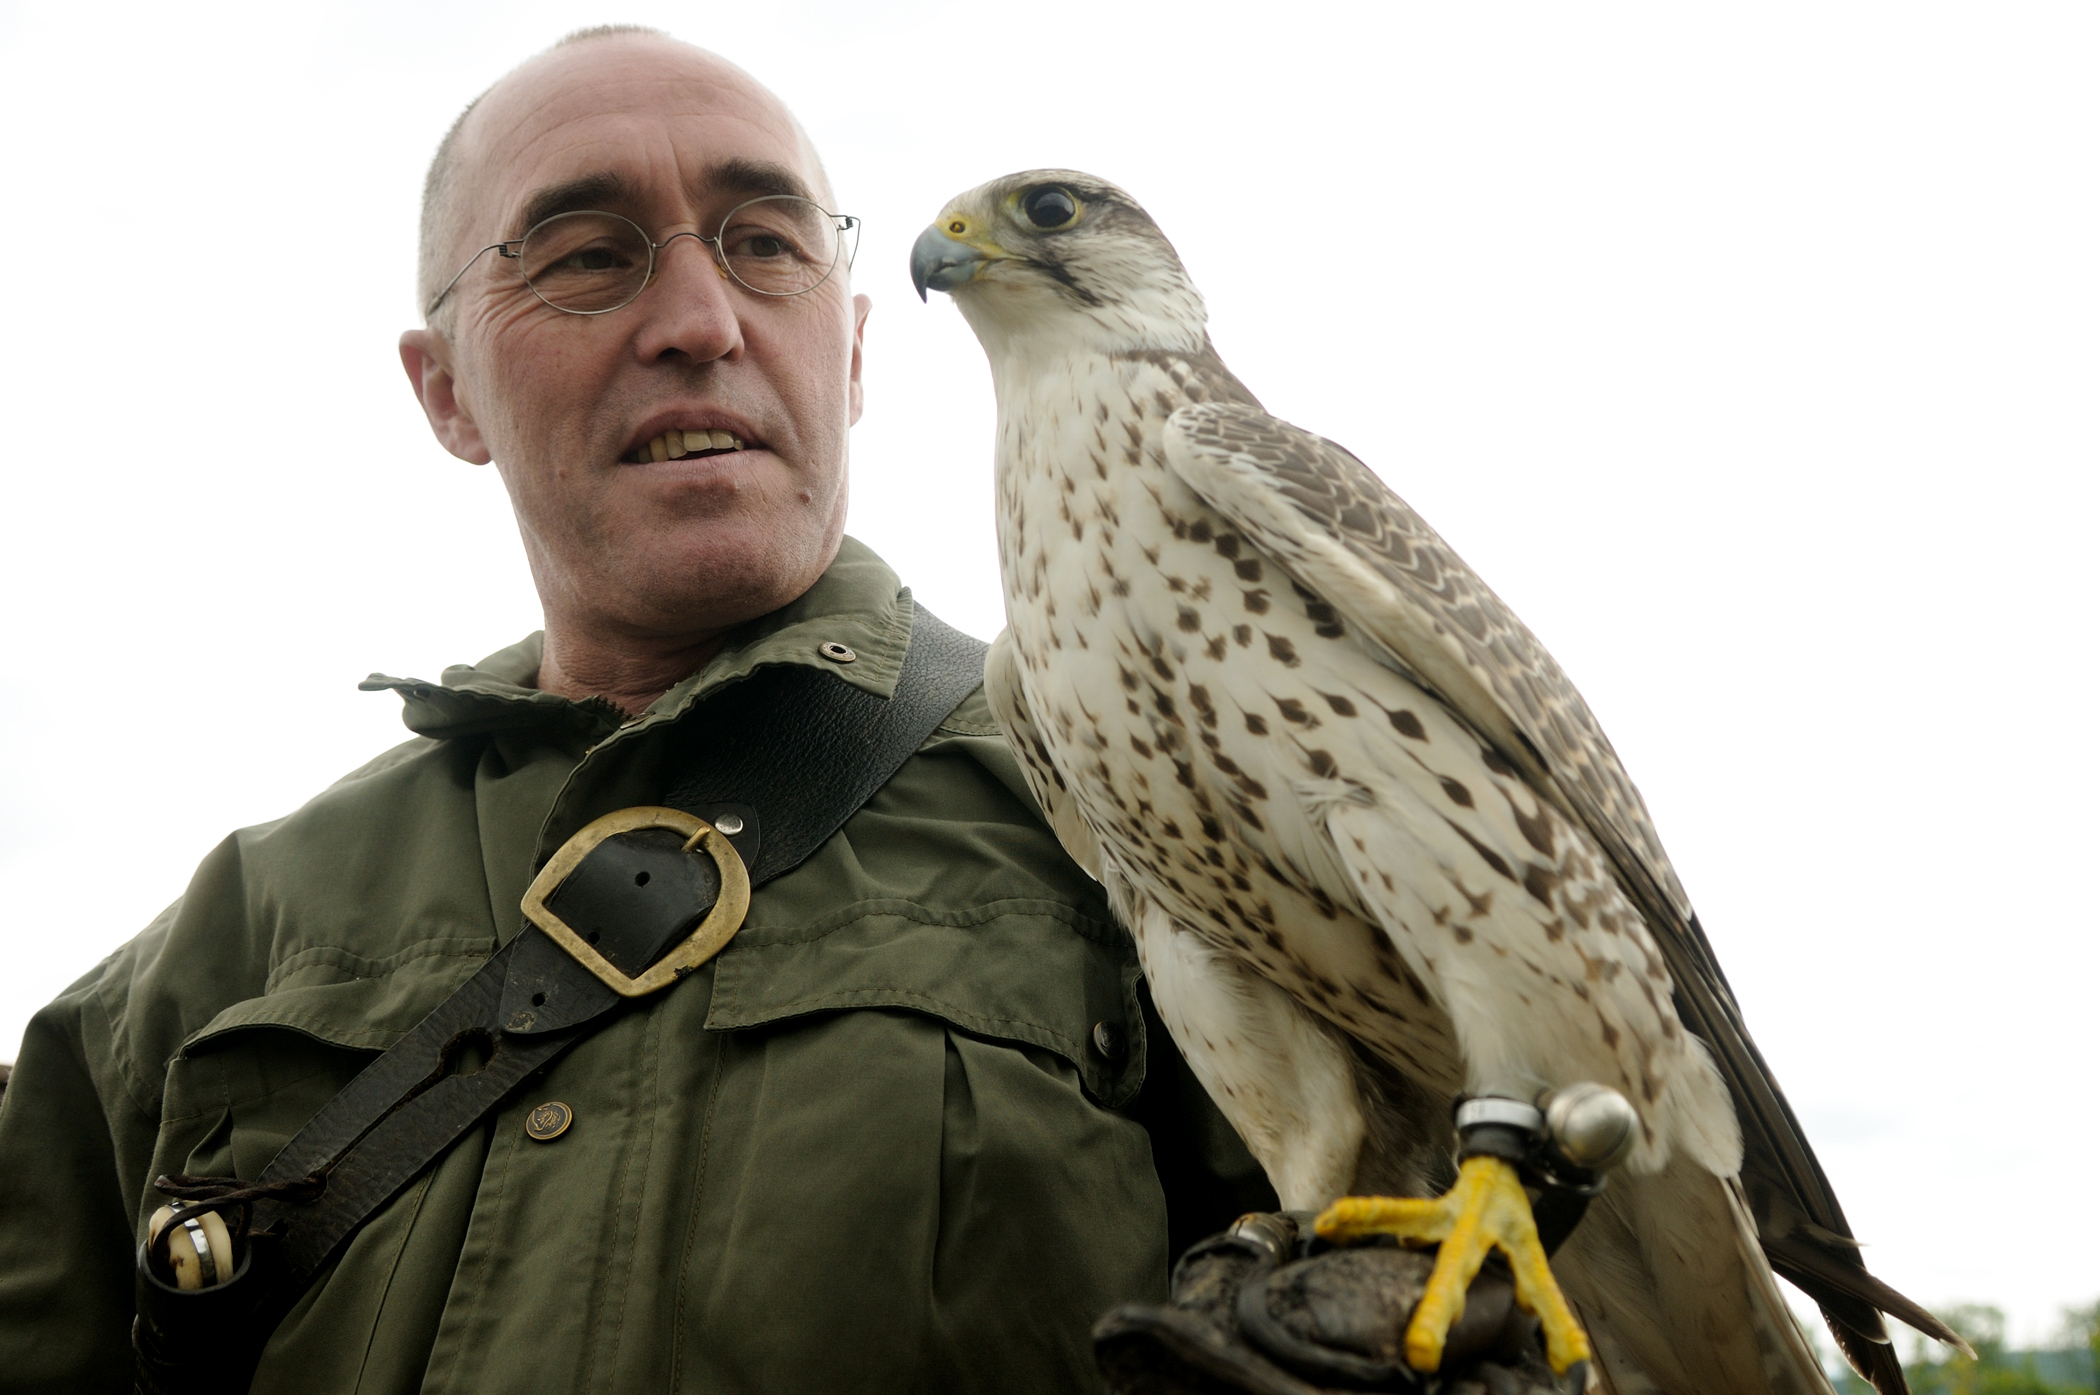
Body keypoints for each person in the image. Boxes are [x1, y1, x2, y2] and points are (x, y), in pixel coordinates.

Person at [0, 27, 1268, 1395]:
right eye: (588, 258)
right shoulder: (234, 942)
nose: (702, 323)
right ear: (447, 393)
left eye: (765, 243)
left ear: (852, 352)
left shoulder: (1142, 805)